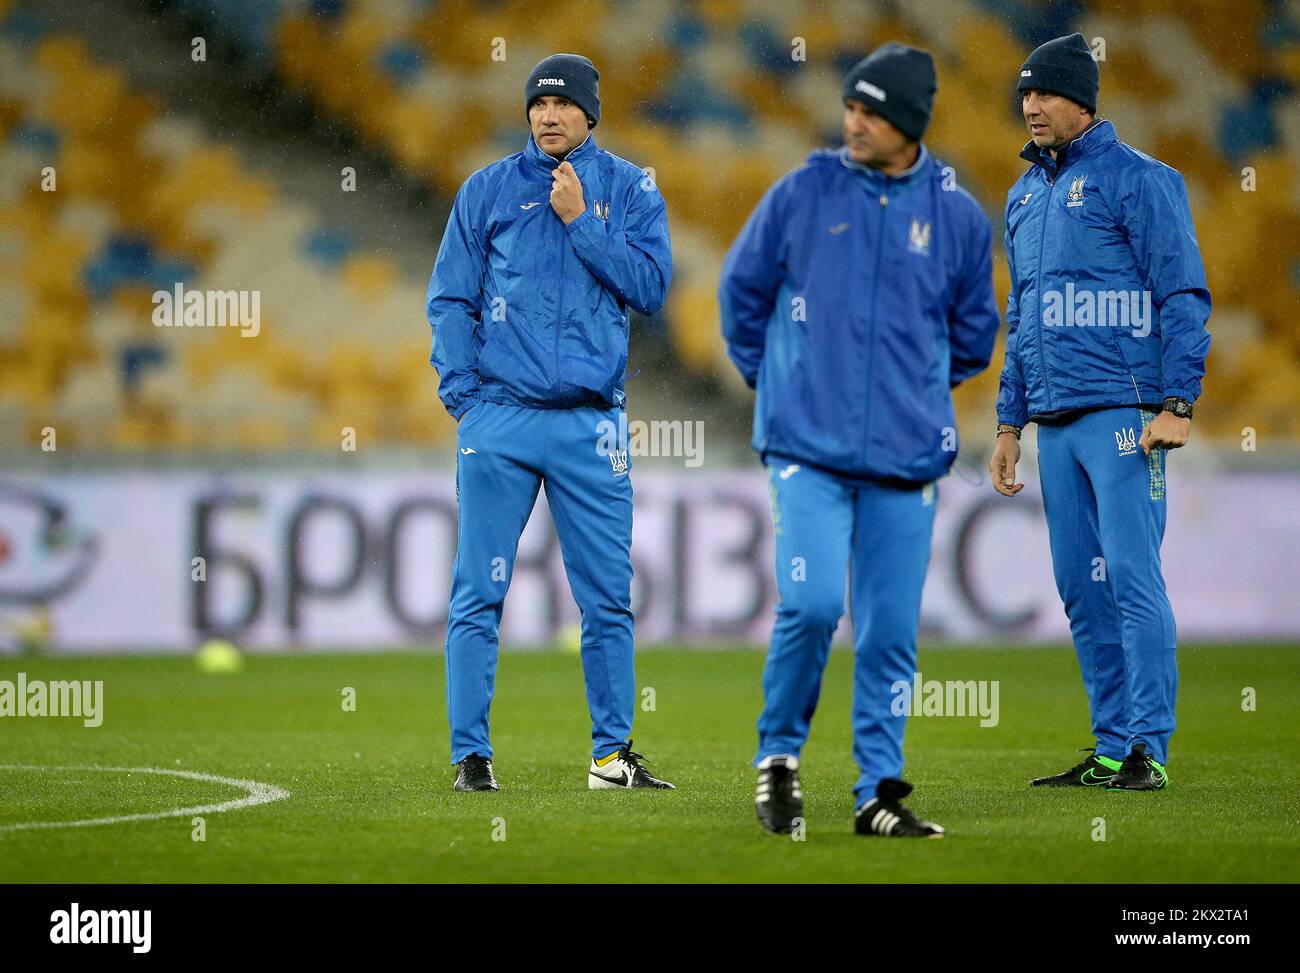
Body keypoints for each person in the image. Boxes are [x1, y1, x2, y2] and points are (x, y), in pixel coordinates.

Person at [719, 44, 1000, 836]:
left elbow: (977, 332)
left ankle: (877, 792)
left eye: (872, 112)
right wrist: (774, 378)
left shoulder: (957, 215)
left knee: (889, 633)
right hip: (807, 449)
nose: (854, 122)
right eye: (851, 106)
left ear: (909, 123)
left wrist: (910, 389)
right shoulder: (804, 191)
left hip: (905, 460)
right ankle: (779, 757)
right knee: (810, 605)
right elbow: (742, 292)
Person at [425, 53, 675, 792]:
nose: (548, 115)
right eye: (538, 103)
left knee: (607, 599)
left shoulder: (629, 189)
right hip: (499, 418)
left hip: (590, 424)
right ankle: (472, 756)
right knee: (478, 592)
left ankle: (609, 757)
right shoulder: (488, 189)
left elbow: (654, 289)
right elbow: (450, 300)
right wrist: (463, 398)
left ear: (591, 114)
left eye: (564, 104)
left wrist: (584, 224)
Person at [989, 33, 1211, 791]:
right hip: (1054, 422)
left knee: (1130, 575)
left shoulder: (1141, 179)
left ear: (1083, 99)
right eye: (1025, 94)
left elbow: (1181, 292)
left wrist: (1179, 401)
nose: (1032, 106)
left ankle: (1149, 745)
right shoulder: (1022, 197)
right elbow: (1022, 317)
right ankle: (1112, 746)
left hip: (1126, 412)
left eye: (1045, 92)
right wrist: (1009, 423)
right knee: (1081, 587)